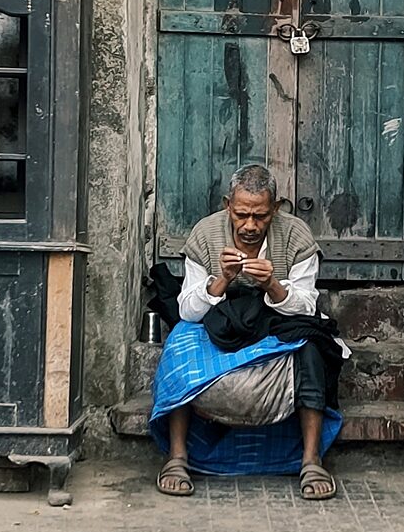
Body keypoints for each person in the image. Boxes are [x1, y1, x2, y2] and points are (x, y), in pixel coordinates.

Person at [147, 165, 346, 501]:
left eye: (260, 216)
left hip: (277, 318)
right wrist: (222, 279)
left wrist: (271, 284)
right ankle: (177, 457)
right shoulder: (205, 234)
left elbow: (305, 306)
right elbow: (188, 310)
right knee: (179, 343)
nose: (250, 226)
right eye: (241, 215)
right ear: (228, 206)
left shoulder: (296, 236)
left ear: (276, 208)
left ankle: (312, 460)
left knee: (312, 347)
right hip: (220, 319)